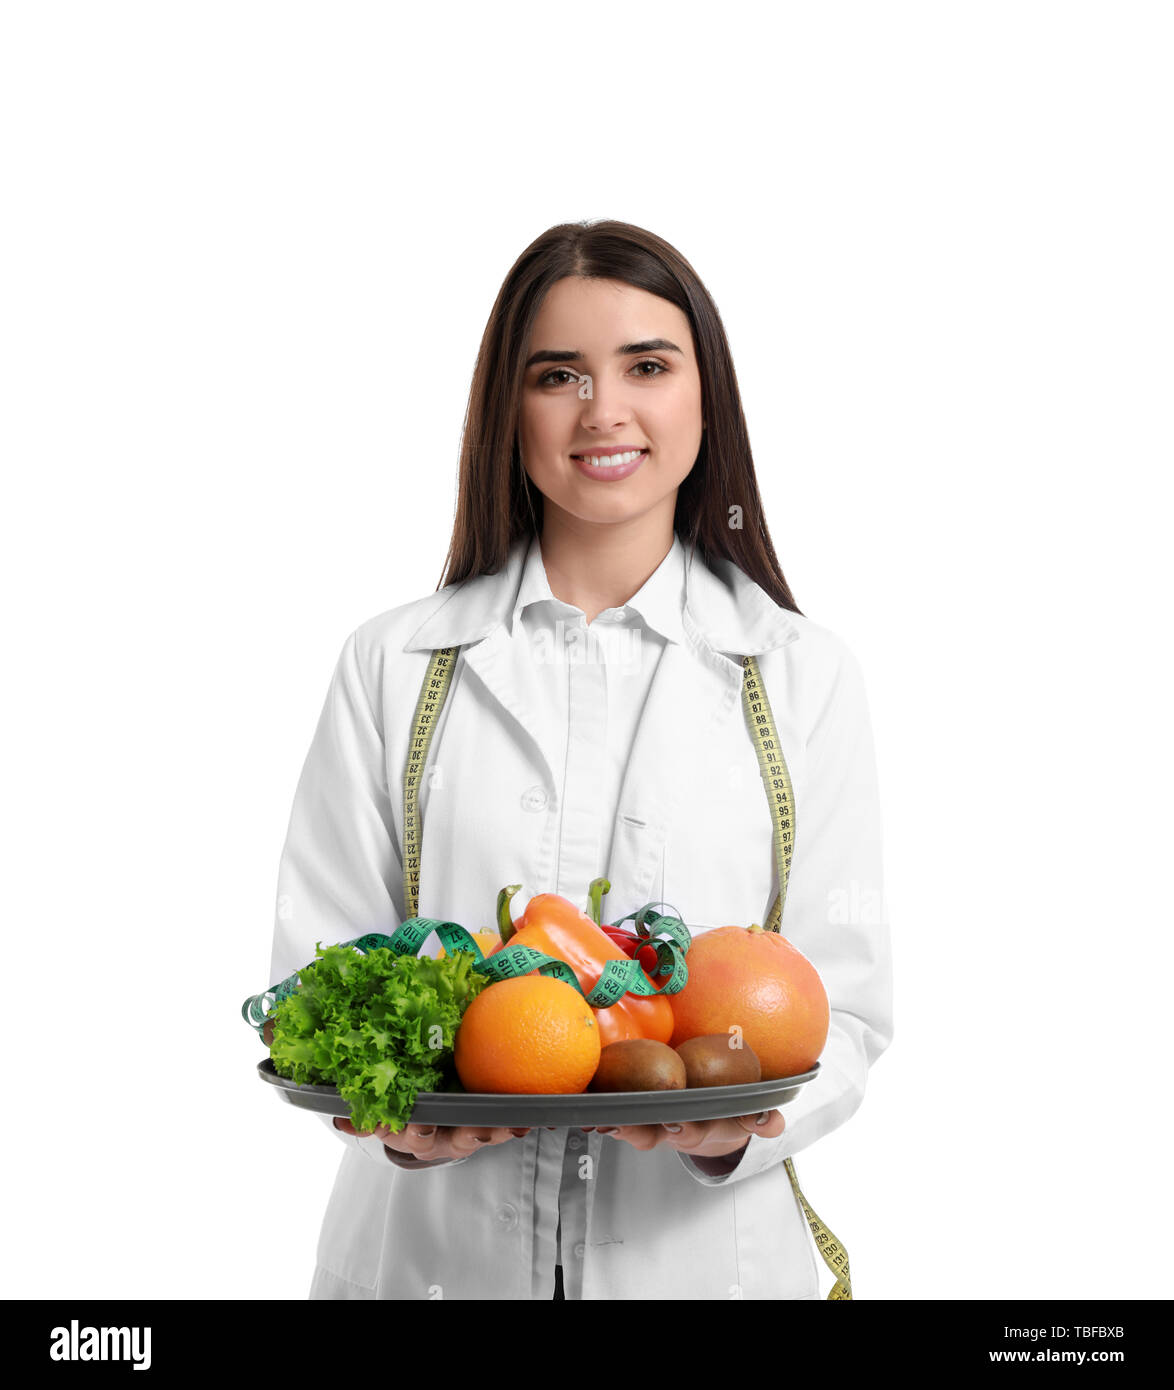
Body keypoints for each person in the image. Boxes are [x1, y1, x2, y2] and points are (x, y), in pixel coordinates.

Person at [265, 219, 893, 1300]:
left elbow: (849, 1000)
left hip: (704, 1267)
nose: (604, 411)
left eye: (646, 365)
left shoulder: (798, 675)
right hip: (427, 1263)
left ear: (707, 395)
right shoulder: (393, 663)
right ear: (508, 410)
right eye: (558, 375)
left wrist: (726, 1131)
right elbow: (318, 967)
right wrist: (395, 1124)